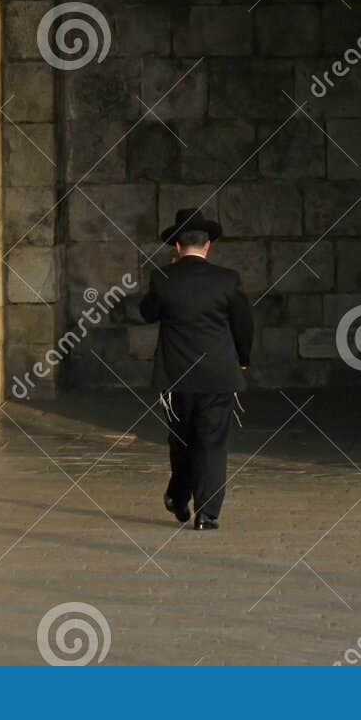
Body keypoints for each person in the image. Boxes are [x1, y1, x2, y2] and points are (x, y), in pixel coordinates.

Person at [140, 209, 254, 532]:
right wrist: (243, 358)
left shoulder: (162, 278)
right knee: (212, 442)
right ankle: (207, 513)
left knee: (182, 440)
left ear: (177, 247)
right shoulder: (227, 279)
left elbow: (147, 313)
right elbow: (243, 323)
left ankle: (178, 496)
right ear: (207, 246)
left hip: (177, 376)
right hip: (218, 374)